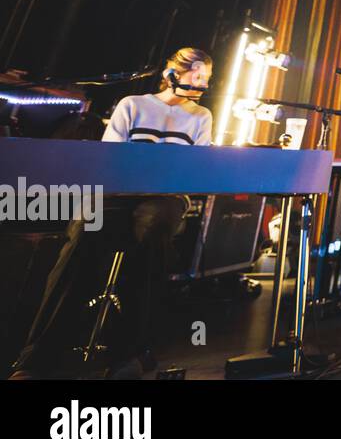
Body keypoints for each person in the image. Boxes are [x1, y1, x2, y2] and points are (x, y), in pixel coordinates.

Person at [9, 47, 213, 379]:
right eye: (196, 75)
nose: (202, 83)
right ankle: (37, 358)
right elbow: (108, 156)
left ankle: (127, 353)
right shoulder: (133, 105)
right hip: (117, 193)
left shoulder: (201, 116)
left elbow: (197, 165)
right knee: (84, 232)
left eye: (206, 77)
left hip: (165, 196)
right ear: (173, 73)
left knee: (153, 227)